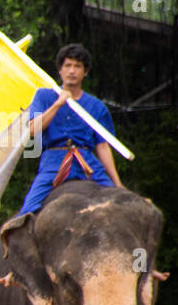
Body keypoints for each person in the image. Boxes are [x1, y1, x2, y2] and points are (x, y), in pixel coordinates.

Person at [16, 43, 121, 216]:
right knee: (27, 211)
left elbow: (102, 146)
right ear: (60, 70)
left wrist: (117, 183)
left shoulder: (97, 107)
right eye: (68, 65)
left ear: (85, 72)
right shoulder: (44, 95)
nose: (72, 71)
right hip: (53, 161)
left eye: (77, 66)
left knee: (119, 205)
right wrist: (57, 104)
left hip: (87, 161)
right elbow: (33, 130)